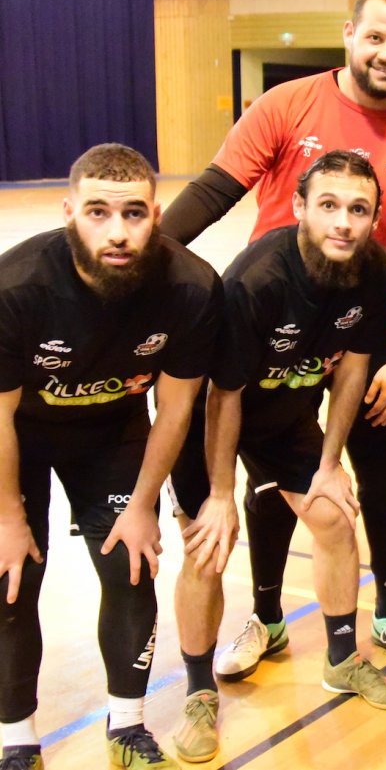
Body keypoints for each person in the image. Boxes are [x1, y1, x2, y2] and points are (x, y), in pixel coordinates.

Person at [161, 0, 386, 676]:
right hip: (277, 328)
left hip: (372, 332)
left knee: (377, 475)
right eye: (376, 37)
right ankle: (267, 618)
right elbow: (214, 190)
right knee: (274, 479)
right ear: (351, 34)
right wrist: (151, 260)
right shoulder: (287, 104)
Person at [167, 151, 386, 762]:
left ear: (375, 217)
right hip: (211, 418)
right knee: (208, 547)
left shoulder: (379, 269)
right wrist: (221, 496)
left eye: (358, 209)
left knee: (332, 516)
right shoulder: (258, 280)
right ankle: (198, 694)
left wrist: (330, 464)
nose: (344, 222)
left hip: (283, 414)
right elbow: (224, 396)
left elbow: (353, 369)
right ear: (299, 207)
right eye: (328, 206)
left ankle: (343, 658)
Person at [0, 144, 222, 770]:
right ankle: (17, 738)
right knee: (11, 578)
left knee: (132, 560)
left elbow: (176, 410)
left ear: (156, 214)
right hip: (19, 433)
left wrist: (145, 504)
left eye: (134, 214)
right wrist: (9, 519)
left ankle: (127, 726)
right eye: (98, 213)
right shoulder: (16, 288)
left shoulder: (191, 286)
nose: (118, 232)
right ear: (70, 212)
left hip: (112, 431)